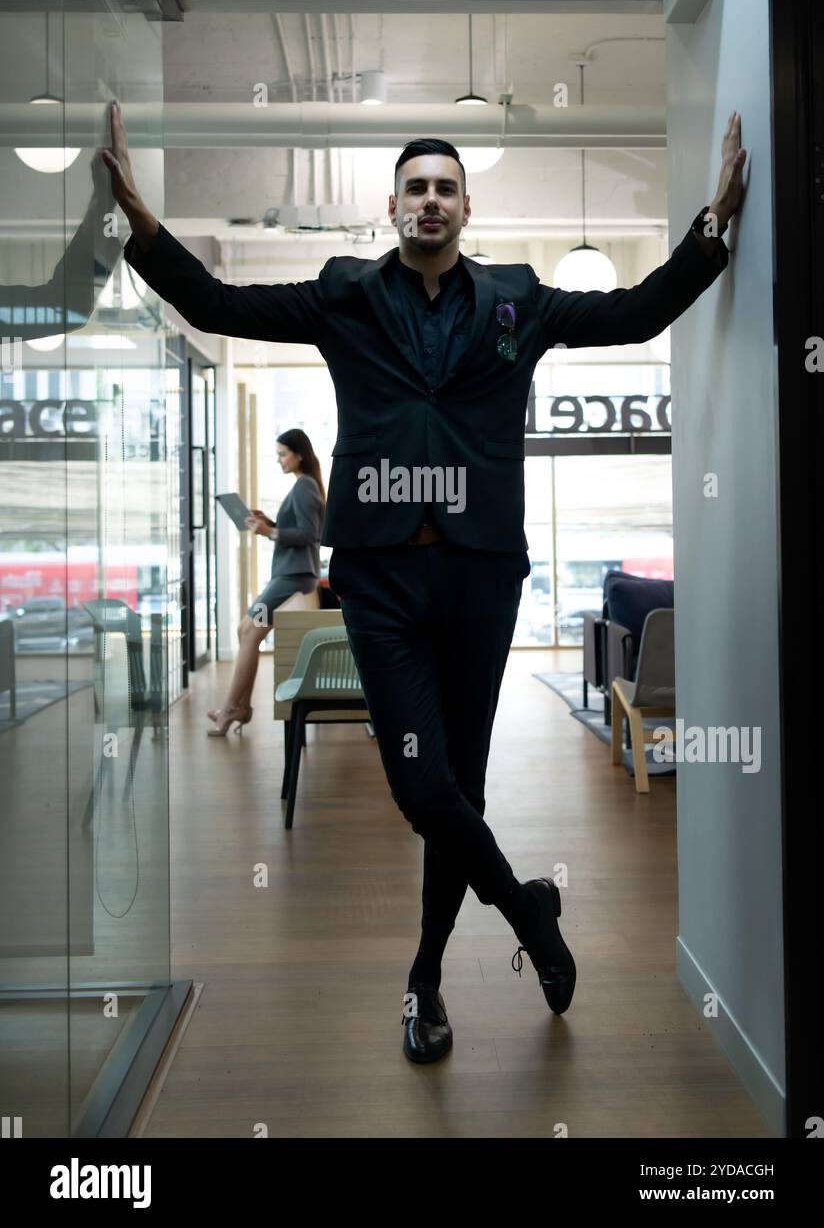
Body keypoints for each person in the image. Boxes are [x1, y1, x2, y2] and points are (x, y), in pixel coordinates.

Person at [103, 101, 746, 1065]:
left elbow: (634, 312)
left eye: (447, 187)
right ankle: (529, 913)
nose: (431, 199)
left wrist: (713, 224)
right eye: (416, 188)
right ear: (393, 207)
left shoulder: (520, 300)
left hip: (482, 575)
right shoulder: (344, 295)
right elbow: (220, 306)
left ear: (467, 208)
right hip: (381, 580)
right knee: (420, 782)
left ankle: (426, 981)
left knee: (461, 785)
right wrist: (142, 225)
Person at [206, 429, 324, 736]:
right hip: (290, 573)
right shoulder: (304, 486)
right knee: (246, 630)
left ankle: (231, 709)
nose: (279, 460)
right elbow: (298, 529)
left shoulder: (305, 486)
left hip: (293, 575)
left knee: (249, 631)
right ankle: (239, 707)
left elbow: (311, 535)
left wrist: (269, 531)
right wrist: (269, 523)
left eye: (283, 454)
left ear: (299, 455)